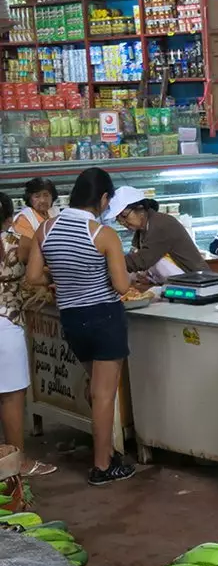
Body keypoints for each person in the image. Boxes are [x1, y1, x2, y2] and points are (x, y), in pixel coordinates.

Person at [26, 168, 135, 486]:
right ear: (102, 198)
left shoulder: (46, 229)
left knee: (95, 389)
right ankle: (102, 466)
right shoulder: (103, 235)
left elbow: (33, 277)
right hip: (104, 317)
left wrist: (58, 279)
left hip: (72, 319)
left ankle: (106, 452)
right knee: (104, 394)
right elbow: (122, 285)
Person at [0, 193, 55, 478]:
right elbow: (42, 271)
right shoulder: (18, 244)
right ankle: (16, 463)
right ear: (10, 217)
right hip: (5, 323)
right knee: (11, 397)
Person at [105, 188, 208, 284]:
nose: (123, 222)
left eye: (124, 216)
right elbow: (137, 257)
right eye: (118, 219)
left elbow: (143, 260)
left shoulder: (161, 224)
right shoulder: (141, 230)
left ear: (141, 209)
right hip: (174, 283)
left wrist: (109, 264)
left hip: (195, 282)